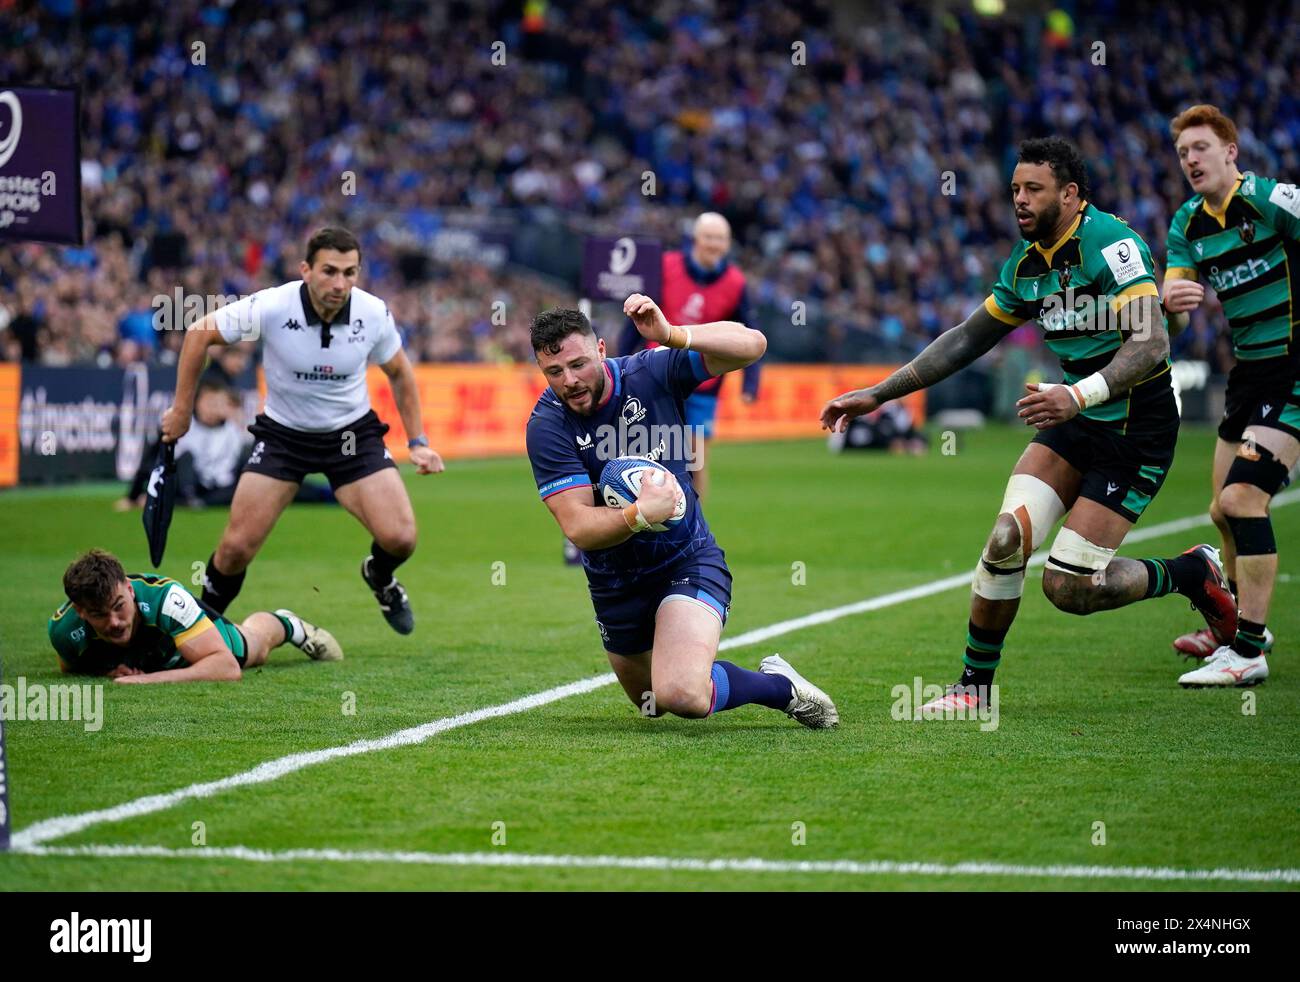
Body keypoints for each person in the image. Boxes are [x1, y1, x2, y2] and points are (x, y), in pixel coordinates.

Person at [821, 137, 1238, 712]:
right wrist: (879, 393)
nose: (1018, 199)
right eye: (1015, 188)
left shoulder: (1111, 245)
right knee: (1005, 539)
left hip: (1135, 429)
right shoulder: (1025, 264)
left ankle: (1190, 572)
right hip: (1073, 418)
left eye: (1033, 189)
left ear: (1069, 194)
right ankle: (975, 689)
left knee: (1069, 588)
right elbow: (968, 338)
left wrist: (1078, 392)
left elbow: (1151, 342)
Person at [527, 295, 837, 728]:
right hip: (614, 582)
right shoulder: (547, 425)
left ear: (601, 350)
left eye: (578, 364)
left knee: (682, 693)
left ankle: (779, 688)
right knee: (652, 701)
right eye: (554, 372)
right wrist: (638, 514)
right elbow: (577, 526)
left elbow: (752, 344)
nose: (570, 381)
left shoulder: (650, 370)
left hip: (685, 559)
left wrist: (673, 336)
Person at [161, 227, 444, 634]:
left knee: (401, 538)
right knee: (236, 548)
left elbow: (399, 372)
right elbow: (199, 334)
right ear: (306, 270)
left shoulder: (373, 313)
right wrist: (182, 410)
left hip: (352, 436)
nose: (340, 283)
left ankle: (379, 577)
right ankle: (199, 630)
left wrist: (417, 442)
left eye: (350, 273)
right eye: (329, 271)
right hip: (284, 436)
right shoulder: (273, 305)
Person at [1161, 105, 1299, 686]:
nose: (1190, 159)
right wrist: (1169, 311)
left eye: (1200, 148)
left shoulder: (1274, 200)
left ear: (1230, 151)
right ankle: (1247, 626)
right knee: (1221, 509)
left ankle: (1245, 654)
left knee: (1244, 500)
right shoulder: (1186, 226)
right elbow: (1174, 318)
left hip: (1293, 367)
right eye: (1183, 153)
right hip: (1247, 377)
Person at [618, 213, 760, 504]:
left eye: (720, 238)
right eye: (708, 237)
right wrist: (621, 362)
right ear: (695, 238)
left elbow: (746, 333)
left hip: (703, 380)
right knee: (650, 450)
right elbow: (636, 318)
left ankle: (694, 522)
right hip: (655, 372)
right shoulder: (666, 266)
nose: (713, 244)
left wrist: (751, 384)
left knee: (695, 457)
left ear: (728, 243)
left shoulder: (736, 283)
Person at [49, 549, 341, 683]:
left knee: (253, 647)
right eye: (100, 615)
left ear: (129, 589)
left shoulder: (167, 600)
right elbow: (74, 665)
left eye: (119, 606)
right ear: (80, 611)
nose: (114, 622)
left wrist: (149, 680)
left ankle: (288, 624)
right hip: (148, 656)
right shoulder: (64, 632)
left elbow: (227, 669)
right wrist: (108, 670)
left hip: (186, 639)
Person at [118, 379, 335, 509]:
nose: (214, 408)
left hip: (225, 487)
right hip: (191, 486)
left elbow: (260, 452)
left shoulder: (233, 427)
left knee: (276, 482)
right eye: (209, 402)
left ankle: (327, 494)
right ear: (198, 402)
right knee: (184, 460)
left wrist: (238, 420)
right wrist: (132, 496)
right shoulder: (183, 425)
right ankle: (183, 500)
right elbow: (151, 461)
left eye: (218, 403)